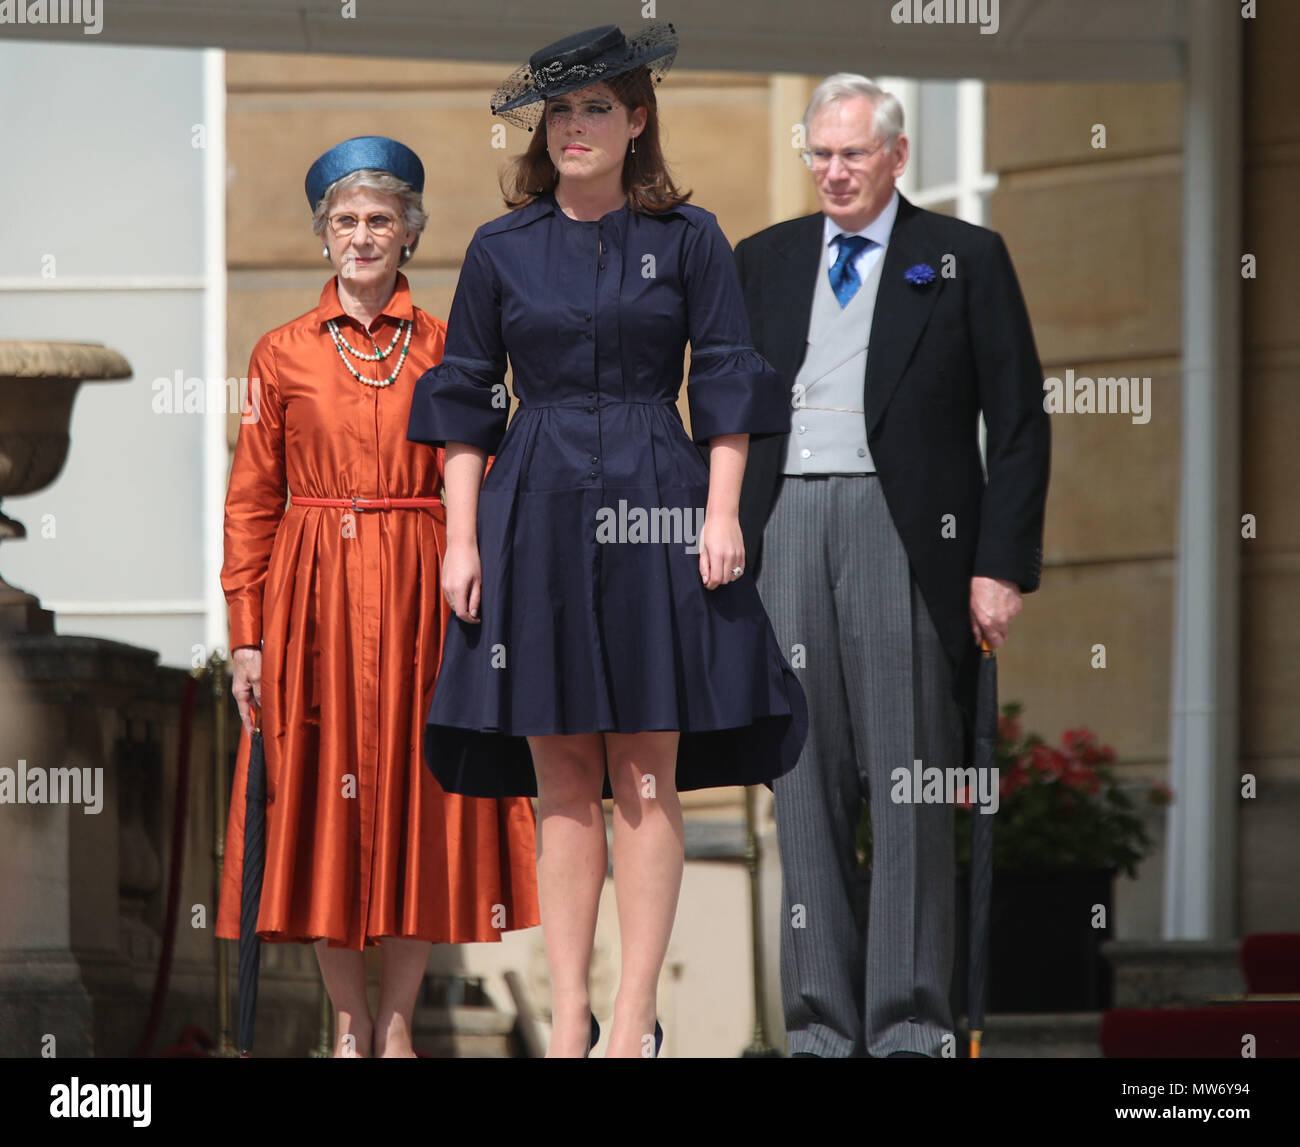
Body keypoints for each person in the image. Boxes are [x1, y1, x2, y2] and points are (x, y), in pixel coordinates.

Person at [407, 24, 807, 1059]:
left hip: (660, 501)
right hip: (528, 508)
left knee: (643, 771)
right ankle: (570, 1016)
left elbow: (726, 381)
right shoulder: (501, 249)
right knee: (562, 779)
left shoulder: (690, 240)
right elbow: (461, 399)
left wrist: (722, 513)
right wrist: (461, 540)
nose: (574, 126)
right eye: (560, 110)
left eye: (596, 108)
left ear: (637, 121)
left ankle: (631, 1022)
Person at [733, 75, 1051, 1058]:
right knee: (803, 782)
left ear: (896, 157)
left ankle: (911, 1025)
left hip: (906, 531)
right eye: (819, 154)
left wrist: (999, 566)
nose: (832, 171)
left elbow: (1021, 421)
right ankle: (822, 1029)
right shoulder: (763, 260)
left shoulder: (965, 257)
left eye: (852, 154)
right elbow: (724, 410)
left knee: (907, 783)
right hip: (785, 520)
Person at [217, 136, 540, 1058]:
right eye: (346, 221)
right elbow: (251, 500)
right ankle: (348, 1023)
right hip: (310, 591)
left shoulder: (450, 344)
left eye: (380, 220)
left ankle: (397, 1025)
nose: (362, 237)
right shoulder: (279, 353)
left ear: (409, 235)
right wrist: (249, 635)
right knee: (320, 798)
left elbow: (485, 475)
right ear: (325, 236)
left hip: (420, 592)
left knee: (416, 803)